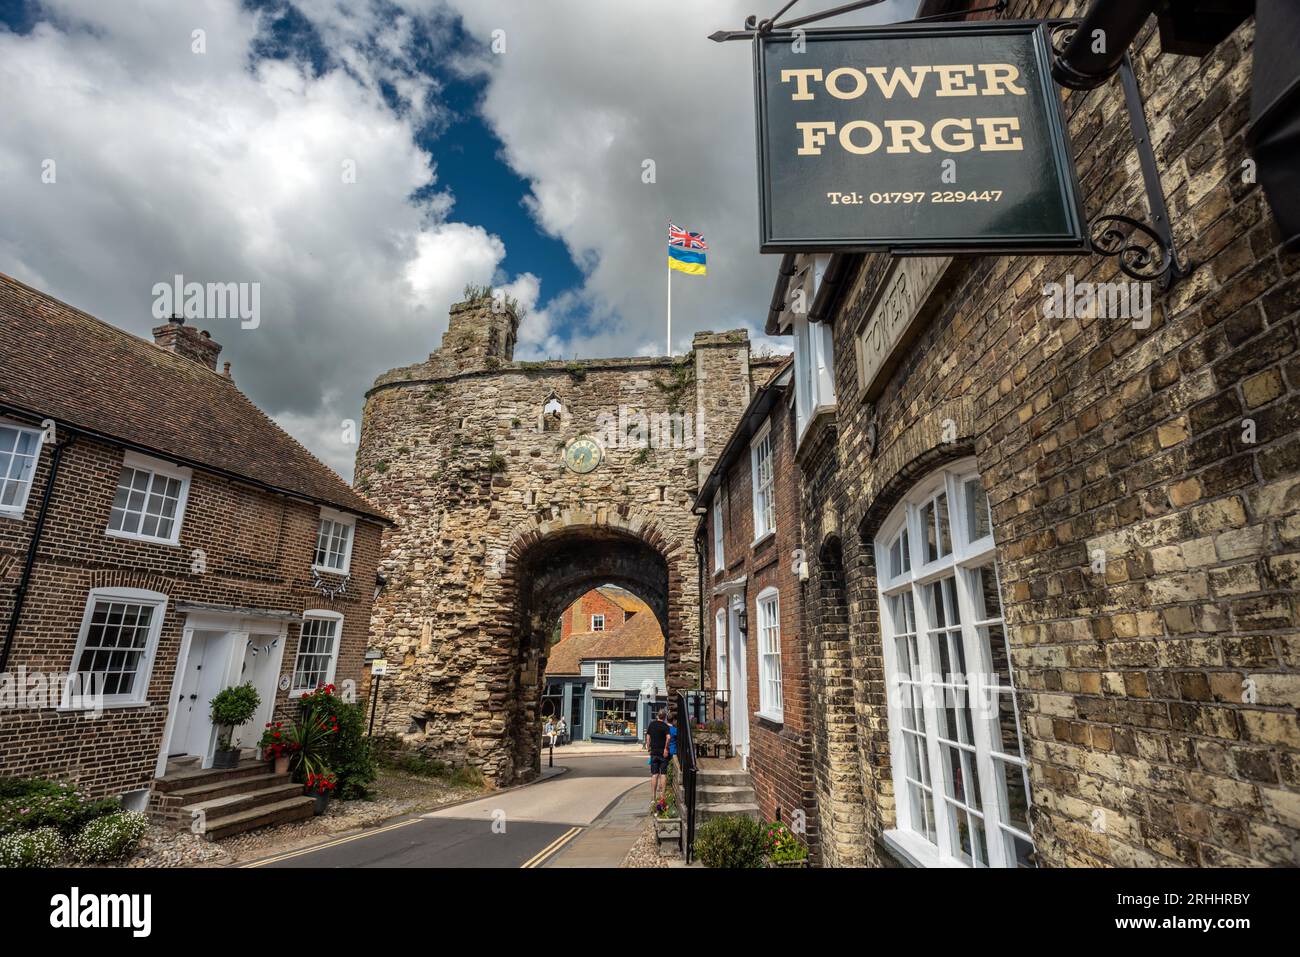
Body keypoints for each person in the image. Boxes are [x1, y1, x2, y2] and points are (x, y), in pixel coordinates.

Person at [645, 709, 672, 801]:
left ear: (657, 716)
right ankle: (662, 796)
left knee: (654, 774)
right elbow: (668, 737)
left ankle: (653, 797)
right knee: (663, 774)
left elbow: (648, 737)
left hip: (654, 752)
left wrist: (648, 748)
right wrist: (666, 748)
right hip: (663, 754)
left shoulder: (652, 724)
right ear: (664, 717)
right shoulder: (665, 726)